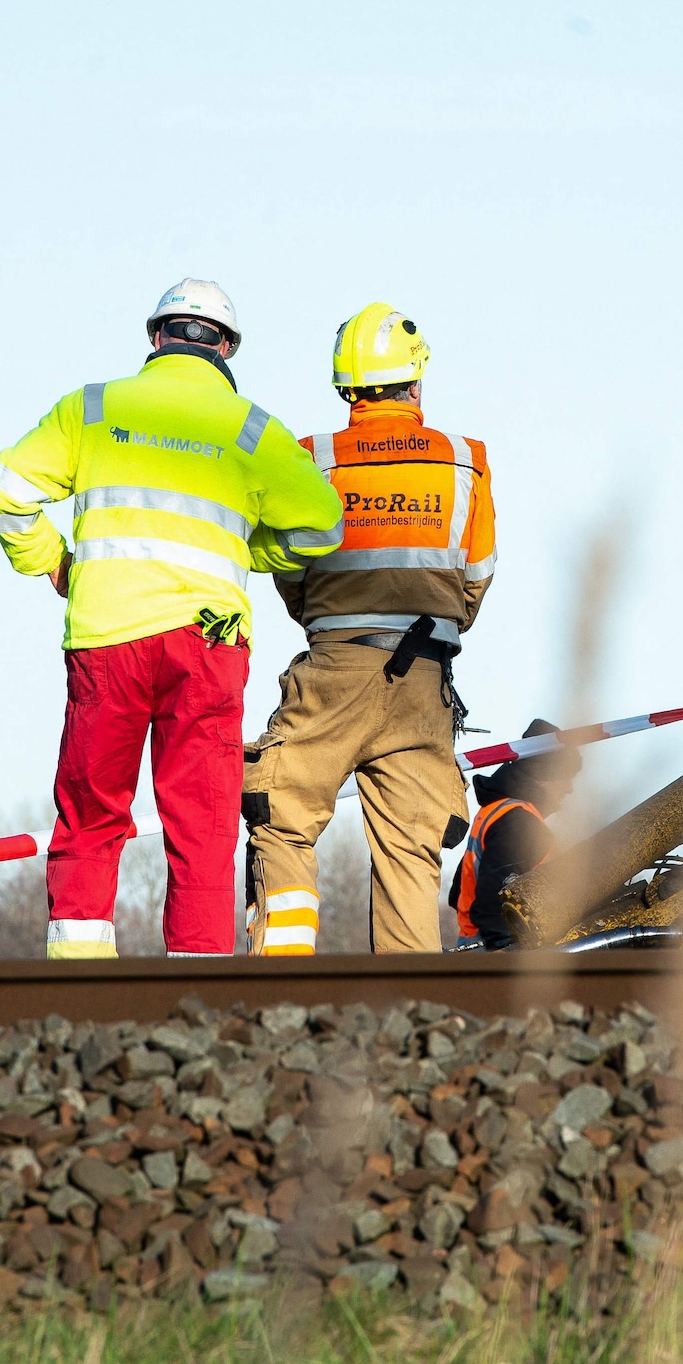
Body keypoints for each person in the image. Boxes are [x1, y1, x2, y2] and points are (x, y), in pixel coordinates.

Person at [0, 279, 343, 958]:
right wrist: (249, 551)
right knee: (203, 827)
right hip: (208, 644)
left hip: (106, 638)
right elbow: (322, 527)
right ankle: (198, 991)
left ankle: (81, 986)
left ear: (156, 337)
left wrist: (55, 563)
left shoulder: (92, 408)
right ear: (227, 348)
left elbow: (8, 492)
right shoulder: (251, 429)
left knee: (91, 816)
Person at [241, 302, 495, 954]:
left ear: (345, 386)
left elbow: (289, 568)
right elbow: (475, 574)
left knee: (282, 811)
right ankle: (409, 1010)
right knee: (412, 845)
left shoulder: (312, 459)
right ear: (416, 382)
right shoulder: (464, 462)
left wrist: (329, 620)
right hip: (425, 677)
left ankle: (283, 983)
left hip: (334, 667)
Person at [449, 721, 583, 949]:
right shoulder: (521, 822)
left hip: (474, 944)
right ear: (543, 773)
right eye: (566, 776)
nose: (570, 788)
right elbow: (493, 903)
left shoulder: (501, 809)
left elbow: (457, 892)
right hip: (495, 953)